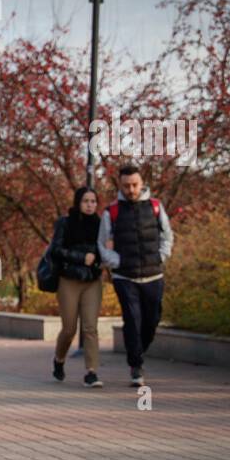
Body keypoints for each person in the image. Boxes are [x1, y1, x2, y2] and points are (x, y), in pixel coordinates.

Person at [99, 165, 174, 387]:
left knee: (152, 320)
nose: (131, 190)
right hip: (125, 277)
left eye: (134, 185)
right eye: (126, 186)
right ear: (120, 186)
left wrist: (161, 256)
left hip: (153, 275)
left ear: (142, 184)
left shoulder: (155, 207)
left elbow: (167, 235)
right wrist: (116, 262)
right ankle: (136, 366)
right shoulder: (111, 212)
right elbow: (102, 244)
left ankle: (138, 351)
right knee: (132, 319)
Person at [48, 186, 105, 388]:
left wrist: (99, 259)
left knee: (90, 327)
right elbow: (55, 250)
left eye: (93, 201)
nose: (90, 205)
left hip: (92, 281)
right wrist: (81, 257)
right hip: (69, 280)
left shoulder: (101, 224)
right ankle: (59, 359)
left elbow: (106, 248)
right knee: (69, 328)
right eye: (85, 201)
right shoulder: (65, 223)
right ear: (78, 202)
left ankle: (91, 372)